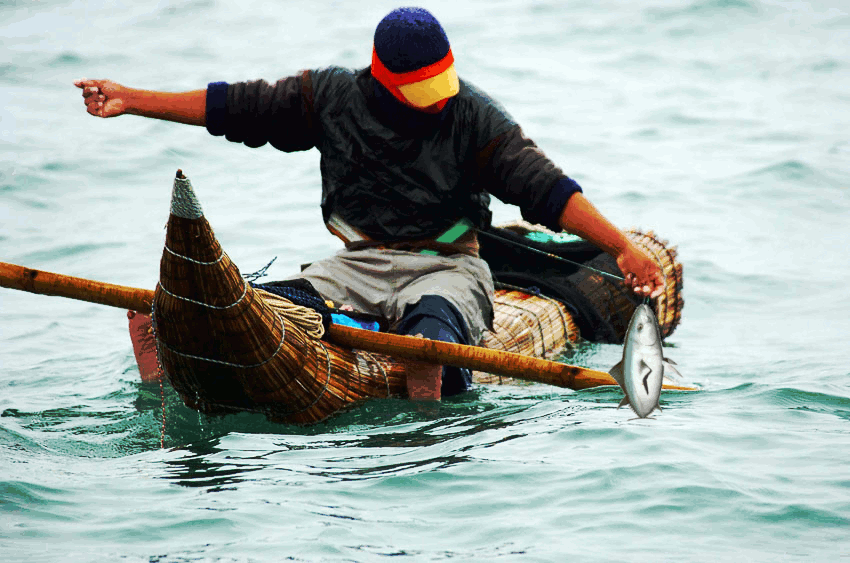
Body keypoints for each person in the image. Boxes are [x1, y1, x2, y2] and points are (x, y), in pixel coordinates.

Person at [75, 7, 664, 401]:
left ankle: (423, 427)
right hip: (355, 265)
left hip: (447, 267)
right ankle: (166, 358)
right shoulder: (332, 97)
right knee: (270, 308)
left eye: (442, 86)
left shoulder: (473, 115)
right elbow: (235, 107)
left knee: (430, 335)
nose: (438, 102)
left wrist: (622, 248)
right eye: (422, 92)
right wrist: (132, 99)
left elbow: (547, 189)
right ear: (383, 79)